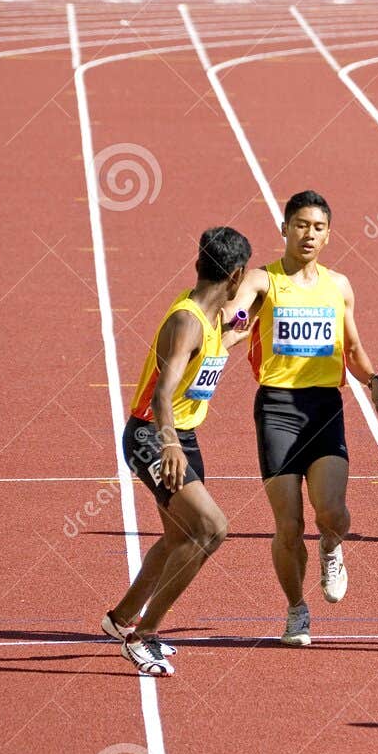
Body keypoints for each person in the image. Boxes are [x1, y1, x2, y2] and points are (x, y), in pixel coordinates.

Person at [231, 191, 378, 646]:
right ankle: (296, 610)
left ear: (328, 234)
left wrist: (375, 382)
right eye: (301, 225)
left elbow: (354, 349)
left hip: (325, 409)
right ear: (284, 228)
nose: (309, 234)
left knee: (332, 512)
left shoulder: (338, 286)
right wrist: (217, 336)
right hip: (277, 410)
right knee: (288, 525)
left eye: (318, 227)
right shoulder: (263, 280)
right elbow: (239, 317)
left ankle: (331, 546)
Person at [100, 227, 252, 676]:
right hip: (153, 435)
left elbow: (205, 358)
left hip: (183, 435)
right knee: (212, 528)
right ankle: (144, 635)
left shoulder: (207, 319)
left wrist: (238, 335)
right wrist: (168, 443)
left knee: (179, 537)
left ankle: (119, 619)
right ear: (236, 275)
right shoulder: (186, 321)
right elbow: (163, 392)